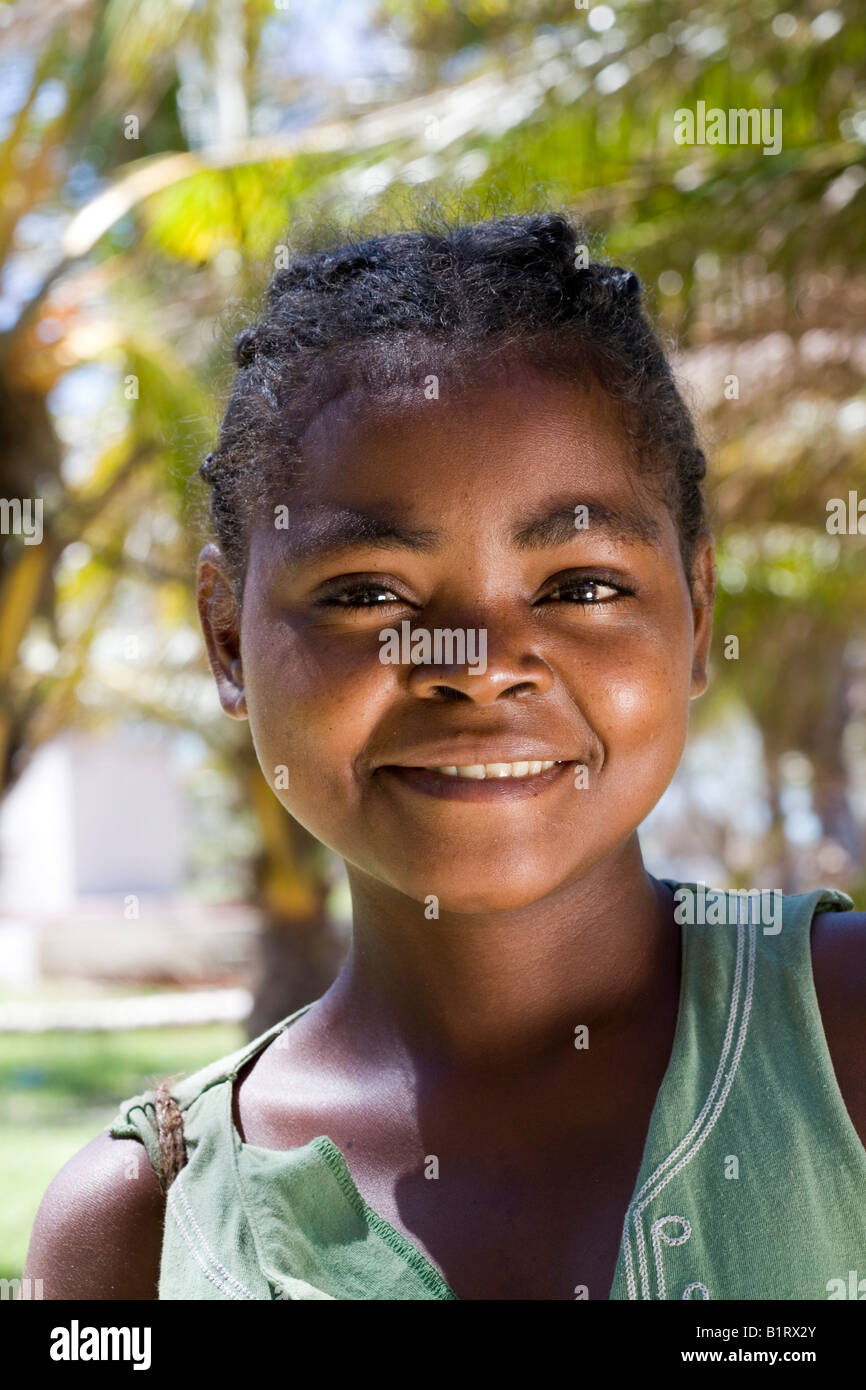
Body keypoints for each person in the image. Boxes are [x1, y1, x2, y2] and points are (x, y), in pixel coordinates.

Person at [24, 208, 865, 1301]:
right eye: (367, 594)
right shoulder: (139, 1232)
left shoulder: (838, 1041)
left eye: (581, 586)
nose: (476, 663)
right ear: (227, 636)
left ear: (695, 618)